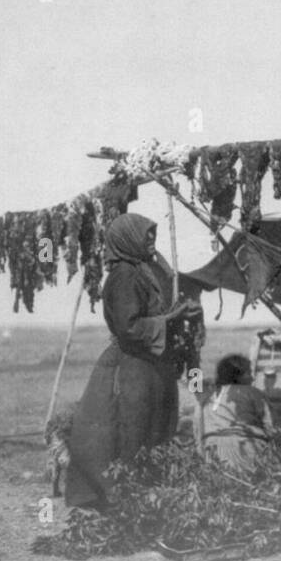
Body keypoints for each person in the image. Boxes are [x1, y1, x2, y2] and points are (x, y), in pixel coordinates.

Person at [64, 214, 196, 509]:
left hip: (150, 363)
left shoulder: (144, 271)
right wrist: (170, 319)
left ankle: (146, 497)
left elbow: (149, 315)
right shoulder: (124, 275)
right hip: (133, 366)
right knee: (132, 431)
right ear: (128, 238)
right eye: (146, 235)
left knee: (154, 428)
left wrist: (176, 315)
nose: (152, 240)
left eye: (153, 234)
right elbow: (127, 327)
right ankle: (125, 498)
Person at [204, 354, 279, 471]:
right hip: (245, 447)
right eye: (249, 373)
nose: (253, 378)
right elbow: (271, 426)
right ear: (236, 375)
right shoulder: (253, 393)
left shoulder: (212, 396)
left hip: (214, 452)